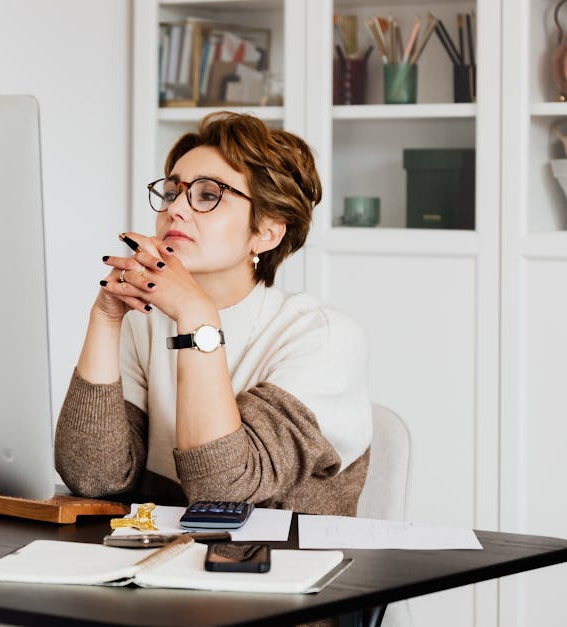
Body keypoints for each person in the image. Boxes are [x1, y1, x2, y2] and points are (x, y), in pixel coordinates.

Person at [54, 112, 372, 516]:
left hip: (278, 568)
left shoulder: (324, 337)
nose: (176, 209)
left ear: (267, 233)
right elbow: (93, 477)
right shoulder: (144, 321)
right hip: (157, 563)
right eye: (172, 193)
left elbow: (223, 491)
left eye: (208, 195)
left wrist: (196, 314)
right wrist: (106, 316)